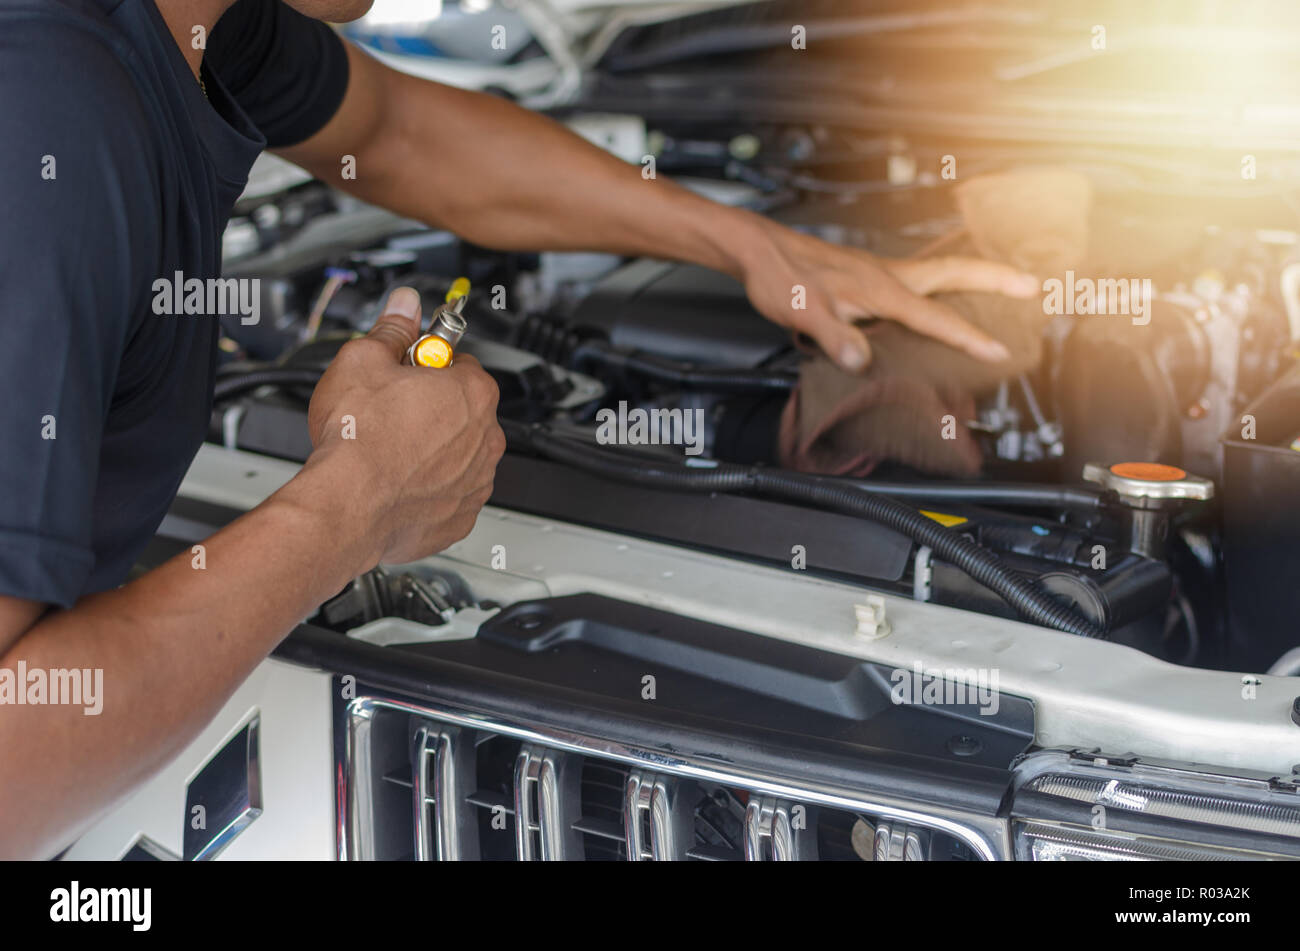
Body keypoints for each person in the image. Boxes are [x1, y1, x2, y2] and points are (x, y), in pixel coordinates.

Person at [0, 0, 1037, 858]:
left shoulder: (207, 33)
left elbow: (394, 135)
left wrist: (753, 245)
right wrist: (352, 511)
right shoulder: (51, 118)